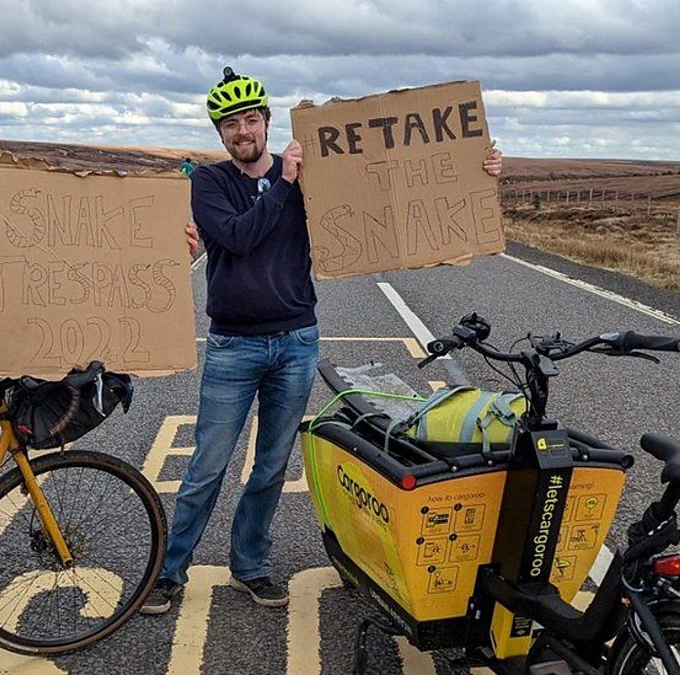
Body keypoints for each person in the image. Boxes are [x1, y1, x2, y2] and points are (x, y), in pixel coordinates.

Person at [141, 68, 504, 615]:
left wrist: (475, 174)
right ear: (221, 134)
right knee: (206, 468)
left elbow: (387, 198)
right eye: (231, 124)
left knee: (269, 467)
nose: (243, 131)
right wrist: (284, 184)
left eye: (251, 119)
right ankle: (169, 573)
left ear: (265, 121)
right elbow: (238, 237)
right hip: (234, 345)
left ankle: (251, 565)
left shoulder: (306, 179)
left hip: (296, 341)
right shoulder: (211, 185)